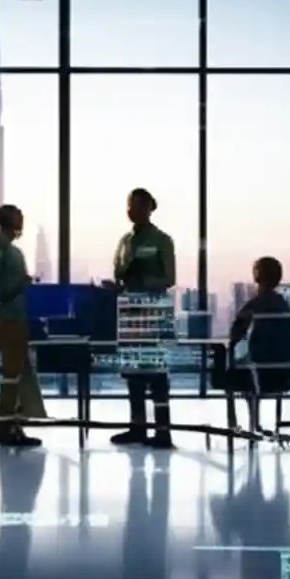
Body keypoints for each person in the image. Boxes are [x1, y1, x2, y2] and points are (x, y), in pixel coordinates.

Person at [109, 188, 177, 449]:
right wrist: (120, 282)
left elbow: (170, 278)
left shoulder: (162, 240)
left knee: (157, 373)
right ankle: (137, 427)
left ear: (150, 208)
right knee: (133, 373)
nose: (133, 211)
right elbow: (118, 272)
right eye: (130, 206)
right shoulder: (125, 242)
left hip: (154, 311)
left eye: (138, 206)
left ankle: (162, 430)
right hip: (129, 312)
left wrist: (145, 279)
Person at [0, 204, 43, 448]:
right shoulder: (7, 253)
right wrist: (22, 282)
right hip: (11, 320)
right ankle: (6, 427)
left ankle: (15, 424)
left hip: (7, 320)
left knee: (18, 374)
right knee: (12, 375)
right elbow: (0, 292)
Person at [227, 256, 290, 433]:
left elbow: (234, 335)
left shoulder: (254, 305)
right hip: (283, 376)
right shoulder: (285, 306)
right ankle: (260, 425)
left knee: (229, 373)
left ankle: (236, 426)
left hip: (258, 376)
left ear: (257, 275)